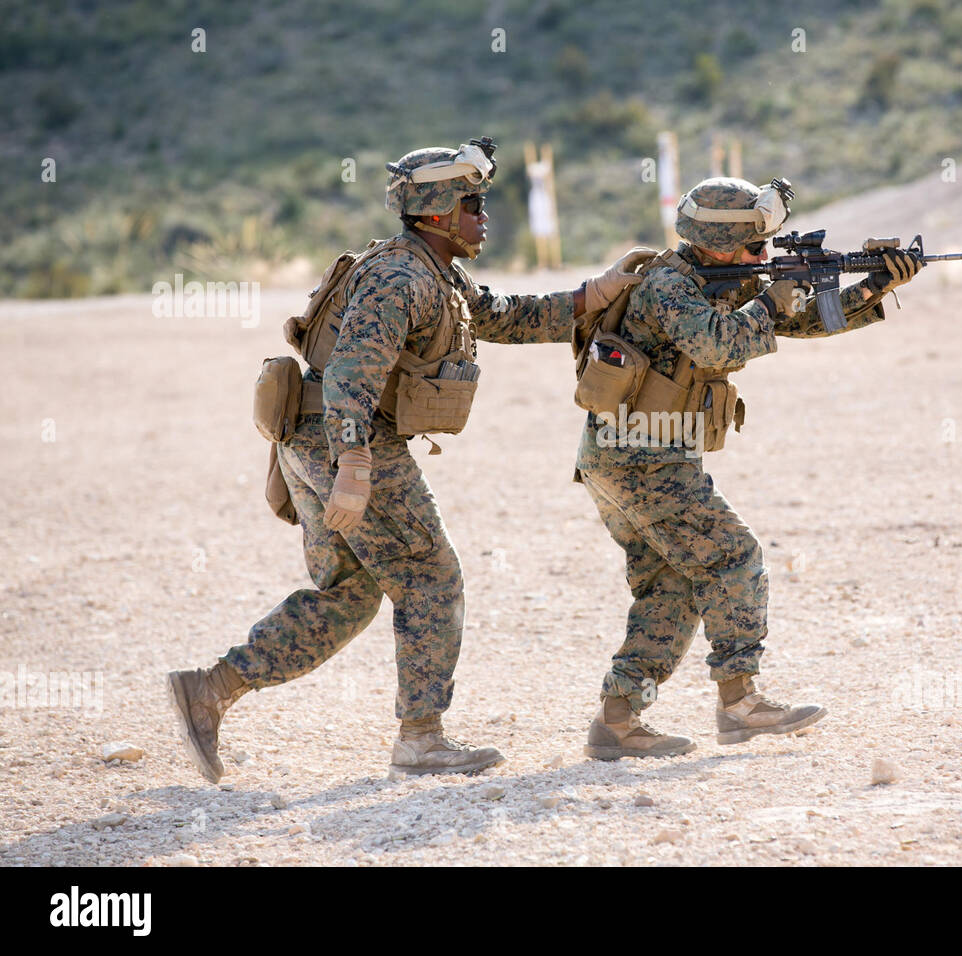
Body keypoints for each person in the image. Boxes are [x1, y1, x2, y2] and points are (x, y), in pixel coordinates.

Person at [168, 139, 647, 781]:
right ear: (436, 213)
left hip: (316, 437)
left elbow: (506, 317)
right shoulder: (402, 278)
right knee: (430, 574)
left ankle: (210, 690)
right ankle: (421, 739)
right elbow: (349, 378)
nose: (484, 216)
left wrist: (597, 291)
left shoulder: (434, 272)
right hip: (343, 436)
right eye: (472, 204)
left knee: (351, 593)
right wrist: (354, 468)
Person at [575, 176, 923, 759]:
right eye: (757, 247)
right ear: (718, 242)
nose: (765, 258)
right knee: (733, 556)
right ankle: (741, 704)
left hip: (630, 456)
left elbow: (803, 319)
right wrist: (768, 299)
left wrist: (875, 286)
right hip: (643, 458)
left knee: (674, 584)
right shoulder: (670, 286)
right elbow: (718, 345)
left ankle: (618, 720)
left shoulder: (708, 279)